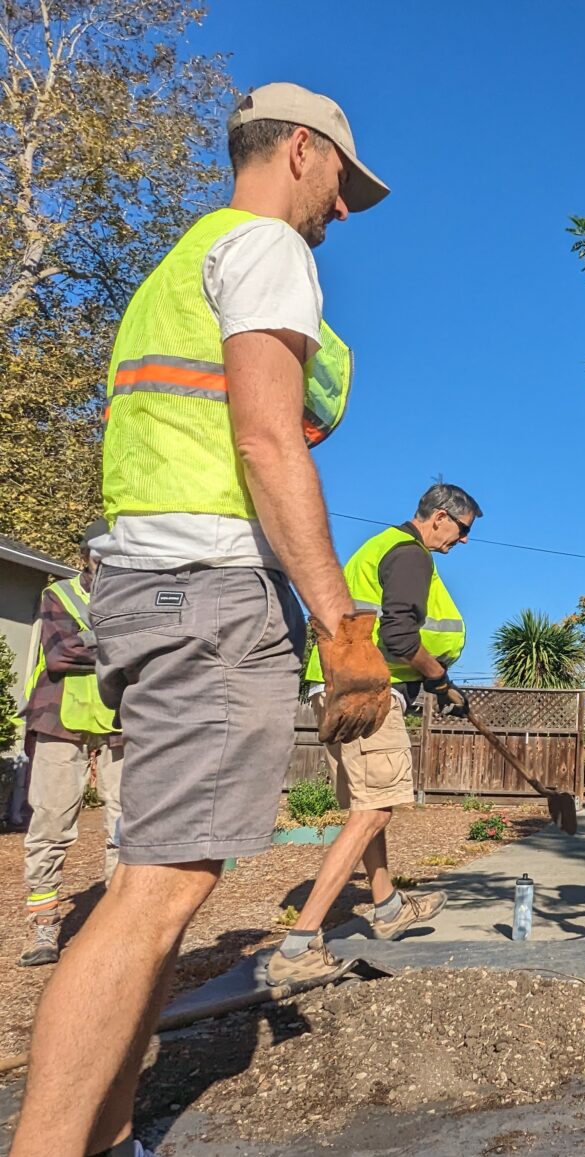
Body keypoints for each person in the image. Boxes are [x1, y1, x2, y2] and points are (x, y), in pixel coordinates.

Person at [10, 83, 393, 1157]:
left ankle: (110, 1131)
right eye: (345, 186)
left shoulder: (173, 270)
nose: (346, 213)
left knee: (158, 881)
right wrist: (339, 625)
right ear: (304, 154)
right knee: (158, 888)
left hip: (145, 584)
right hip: (206, 589)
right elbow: (270, 442)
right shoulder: (269, 250)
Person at [269, 483, 479, 982]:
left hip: (342, 686)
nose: (464, 541)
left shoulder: (381, 546)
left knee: (369, 805)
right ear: (441, 517)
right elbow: (400, 637)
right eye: (463, 529)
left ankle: (386, 907)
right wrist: (439, 677)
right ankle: (298, 946)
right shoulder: (410, 555)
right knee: (374, 811)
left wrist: (434, 685)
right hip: (367, 693)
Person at [17, 521, 124, 967]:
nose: (106, 564)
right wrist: (117, 646)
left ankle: (117, 924)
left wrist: (94, 644)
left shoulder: (130, 598)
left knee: (126, 823)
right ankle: (45, 927)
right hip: (59, 717)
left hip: (119, 719)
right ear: (86, 556)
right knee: (51, 822)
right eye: (100, 555)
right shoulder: (57, 595)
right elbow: (61, 655)